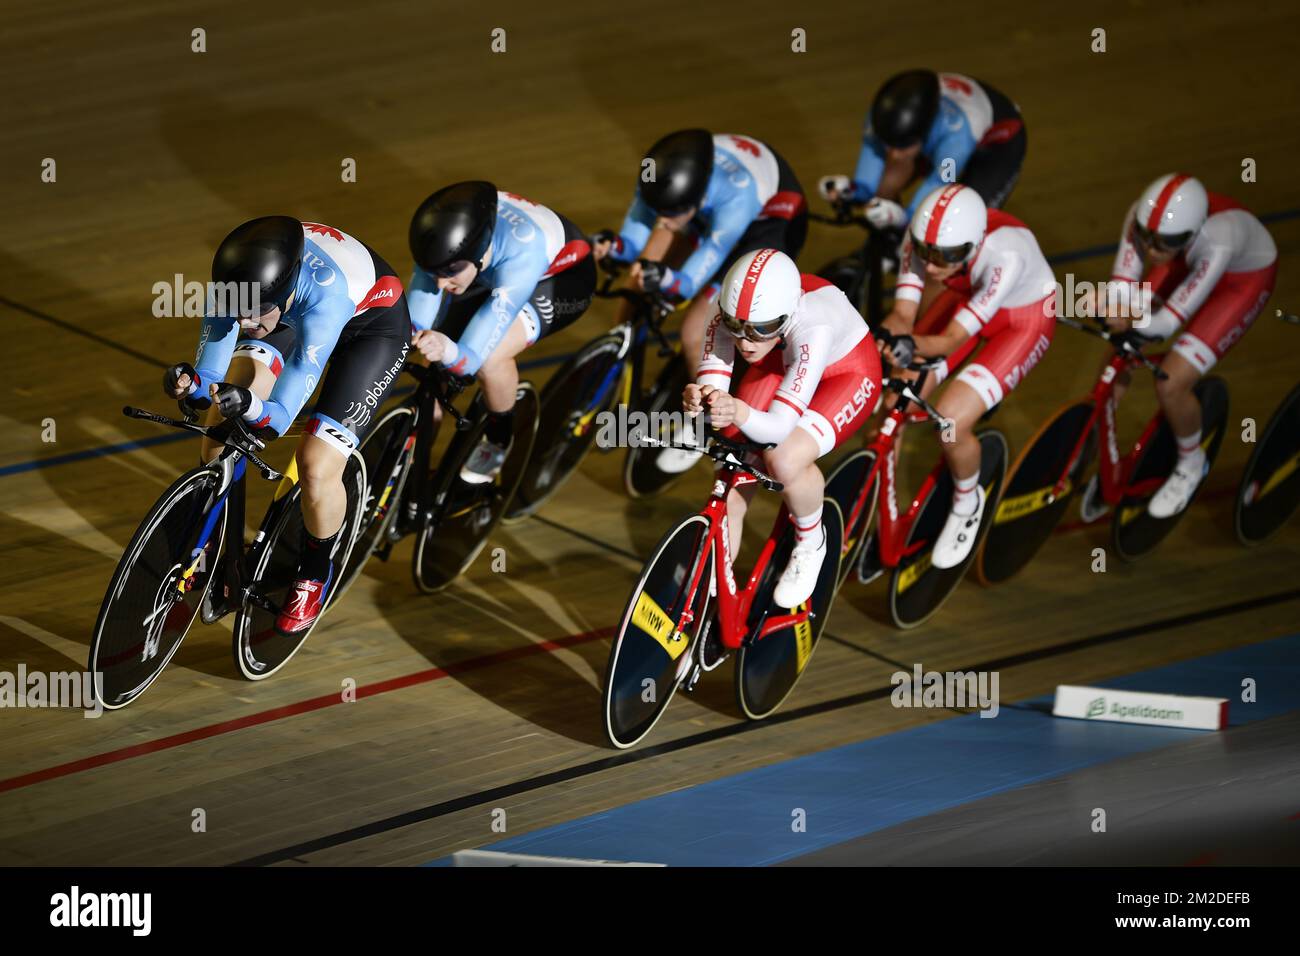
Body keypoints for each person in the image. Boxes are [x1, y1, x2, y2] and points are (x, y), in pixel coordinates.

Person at [164, 217, 410, 635]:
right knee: (217, 434)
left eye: (252, 314)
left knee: (315, 464)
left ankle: (314, 574)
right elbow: (212, 378)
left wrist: (252, 406)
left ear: (281, 294)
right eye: (233, 311)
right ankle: (215, 547)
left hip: (371, 331)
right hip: (292, 313)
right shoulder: (238, 289)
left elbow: (278, 416)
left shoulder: (324, 300)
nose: (242, 323)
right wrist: (193, 386)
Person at [593, 129, 808, 473]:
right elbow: (640, 232)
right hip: (706, 205)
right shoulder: (654, 172)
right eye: (659, 208)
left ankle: (704, 424)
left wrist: (667, 281)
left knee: (696, 329)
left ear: (694, 200)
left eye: (672, 212)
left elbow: (691, 278)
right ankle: (613, 364)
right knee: (637, 276)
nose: (662, 219)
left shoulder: (737, 197)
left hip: (766, 223)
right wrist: (617, 248)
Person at [685, 248, 881, 607]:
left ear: (785, 316)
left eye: (759, 330)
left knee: (785, 459)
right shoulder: (727, 312)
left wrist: (739, 412)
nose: (745, 342)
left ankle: (810, 541)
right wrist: (701, 399)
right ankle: (710, 595)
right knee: (730, 462)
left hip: (846, 373)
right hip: (780, 360)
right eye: (736, 327)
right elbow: (714, 390)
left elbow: (776, 429)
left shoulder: (813, 326)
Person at [879, 184, 1057, 569]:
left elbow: (947, 342)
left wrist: (902, 345)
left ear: (972, 246)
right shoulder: (924, 239)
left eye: (944, 257)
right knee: (894, 400)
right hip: (969, 299)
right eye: (926, 253)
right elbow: (902, 318)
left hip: (1023, 320)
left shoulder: (1003, 255)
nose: (930, 266)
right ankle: (881, 514)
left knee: (950, 421)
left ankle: (966, 501)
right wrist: (886, 335)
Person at [1096, 173, 1277, 518]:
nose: (1150, 250)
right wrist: (1111, 310)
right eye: (1146, 238)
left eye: (1162, 243)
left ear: (1190, 234)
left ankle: (1191, 464)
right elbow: (1123, 284)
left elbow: (1166, 323)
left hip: (1240, 283)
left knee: (1171, 381)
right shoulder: (1143, 216)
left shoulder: (1218, 239)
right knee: (1120, 345)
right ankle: (1098, 434)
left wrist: (1131, 320)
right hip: (1187, 262)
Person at [406, 182, 597, 483]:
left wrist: (448, 350)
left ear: (477, 252)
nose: (441, 284)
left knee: (490, 358)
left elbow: (469, 359)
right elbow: (415, 322)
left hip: (560, 278)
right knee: (433, 363)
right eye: (434, 273)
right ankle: (407, 464)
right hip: (489, 270)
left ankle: (498, 439)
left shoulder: (523, 252)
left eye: (449, 273)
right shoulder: (444, 249)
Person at [819, 70, 1026, 233]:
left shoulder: (956, 139)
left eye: (902, 146)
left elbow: (938, 187)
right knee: (885, 188)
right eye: (888, 143)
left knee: (965, 224)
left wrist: (902, 218)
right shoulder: (878, 120)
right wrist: (849, 189)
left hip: (998, 147)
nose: (894, 154)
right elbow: (867, 185)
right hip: (937, 132)